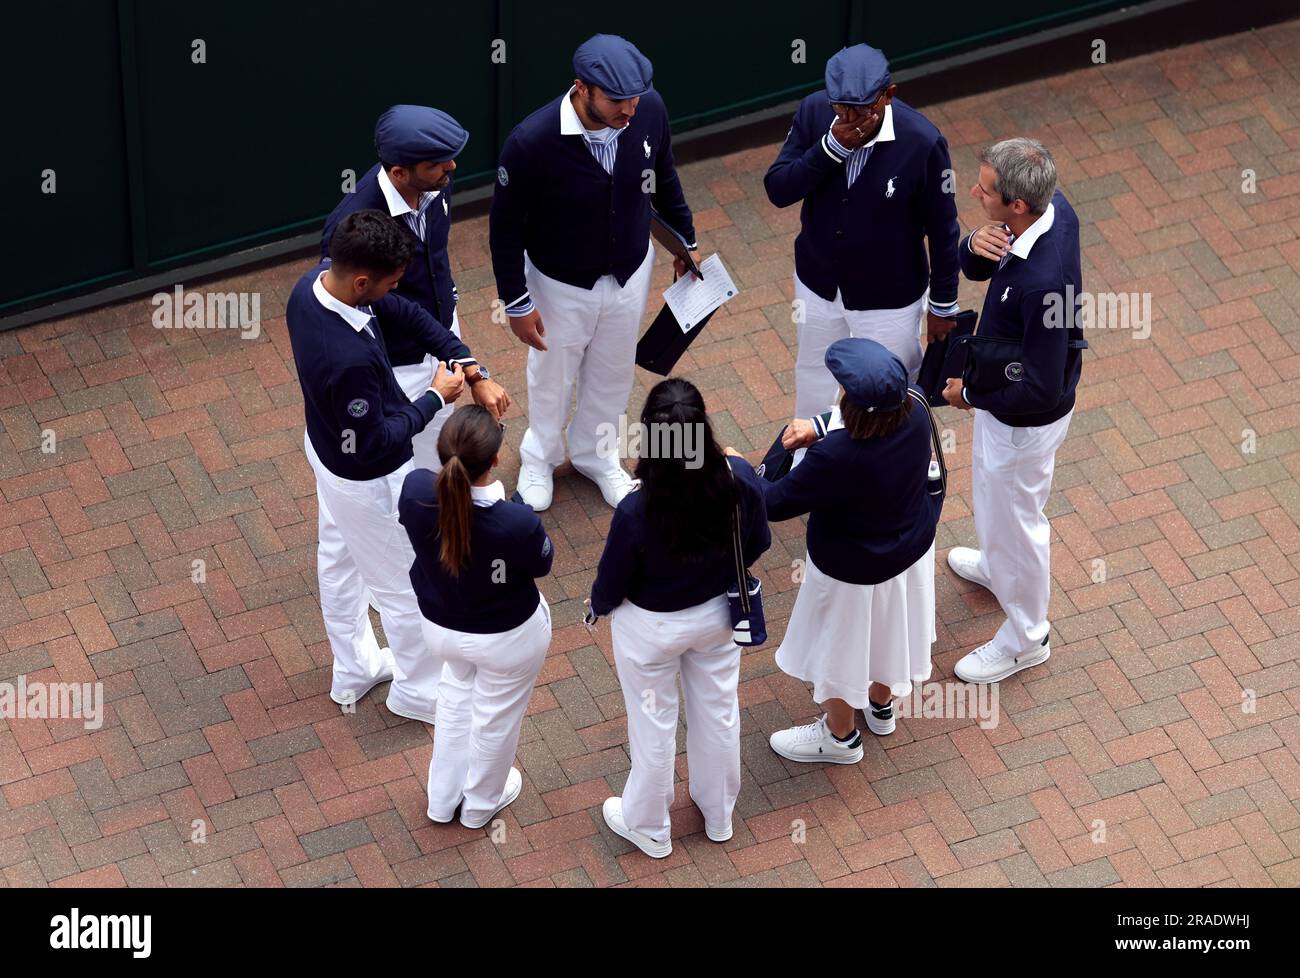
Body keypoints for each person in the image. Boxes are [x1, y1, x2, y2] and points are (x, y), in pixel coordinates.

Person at [286, 209, 507, 723]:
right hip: (366, 478)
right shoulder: (347, 361)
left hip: (324, 451)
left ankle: (355, 667)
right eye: (389, 282)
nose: (394, 290)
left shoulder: (312, 285)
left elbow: (404, 314)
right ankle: (420, 694)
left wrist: (467, 361)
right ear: (362, 280)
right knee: (403, 588)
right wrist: (434, 397)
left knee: (338, 558)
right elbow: (373, 442)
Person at [489, 33, 700, 511]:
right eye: (618, 100)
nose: (630, 109)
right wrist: (517, 303)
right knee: (552, 374)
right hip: (558, 283)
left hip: (630, 271)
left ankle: (596, 455)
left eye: (635, 98)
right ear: (582, 88)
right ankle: (539, 456)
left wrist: (685, 241)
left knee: (612, 371)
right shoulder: (530, 142)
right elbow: (504, 230)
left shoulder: (649, 110)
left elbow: (663, 175)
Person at [587, 379, 770, 859]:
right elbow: (758, 544)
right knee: (718, 711)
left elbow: (612, 580)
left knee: (652, 723)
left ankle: (649, 825)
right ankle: (718, 814)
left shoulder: (635, 508)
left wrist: (598, 606)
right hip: (718, 616)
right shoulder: (738, 480)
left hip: (650, 628)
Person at [757, 338, 942, 761]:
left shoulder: (834, 457)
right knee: (891, 635)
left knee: (836, 653)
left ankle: (840, 738)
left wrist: (739, 472)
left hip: (849, 573)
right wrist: (820, 427)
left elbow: (773, 502)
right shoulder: (916, 409)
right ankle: (880, 708)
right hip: (909, 556)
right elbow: (860, 423)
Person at [941, 137, 1083, 685]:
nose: (974, 191)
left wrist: (971, 396)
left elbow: (1042, 388)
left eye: (985, 190)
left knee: (1018, 519)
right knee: (996, 506)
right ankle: (1002, 568)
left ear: (1018, 206)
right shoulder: (1054, 208)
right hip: (1010, 409)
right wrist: (974, 244)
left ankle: (1027, 637)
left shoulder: (1043, 283)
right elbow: (976, 268)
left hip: (1023, 422)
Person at [764, 43, 961, 420]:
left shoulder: (923, 141)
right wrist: (830, 147)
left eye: (863, 108)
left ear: (889, 95)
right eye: (841, 107)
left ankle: (899, 462)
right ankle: (808, 455)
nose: (850, 118)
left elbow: (943, 229)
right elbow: (778, 189)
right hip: (817, 283)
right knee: (813, 373)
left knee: (893, 387)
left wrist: (942, 305)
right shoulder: (813, 112)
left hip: (890, 299)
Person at [322, 105, 507, 471]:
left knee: (439, 443)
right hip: (397, 363)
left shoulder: (437, 183)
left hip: (441, 340)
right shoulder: (350, 224)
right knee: (402, 462)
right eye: (439, 163)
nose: (451, 168)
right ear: (398, 172)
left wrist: (466, 364)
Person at [398, 406, 553, 829]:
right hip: (506, 638)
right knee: (496, 718)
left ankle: (442, 800)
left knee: (454, 699)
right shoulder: (516, 521)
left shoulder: (414, 491)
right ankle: (481, 806)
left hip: (441, 627)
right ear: (496, 460)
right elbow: (542, 565)